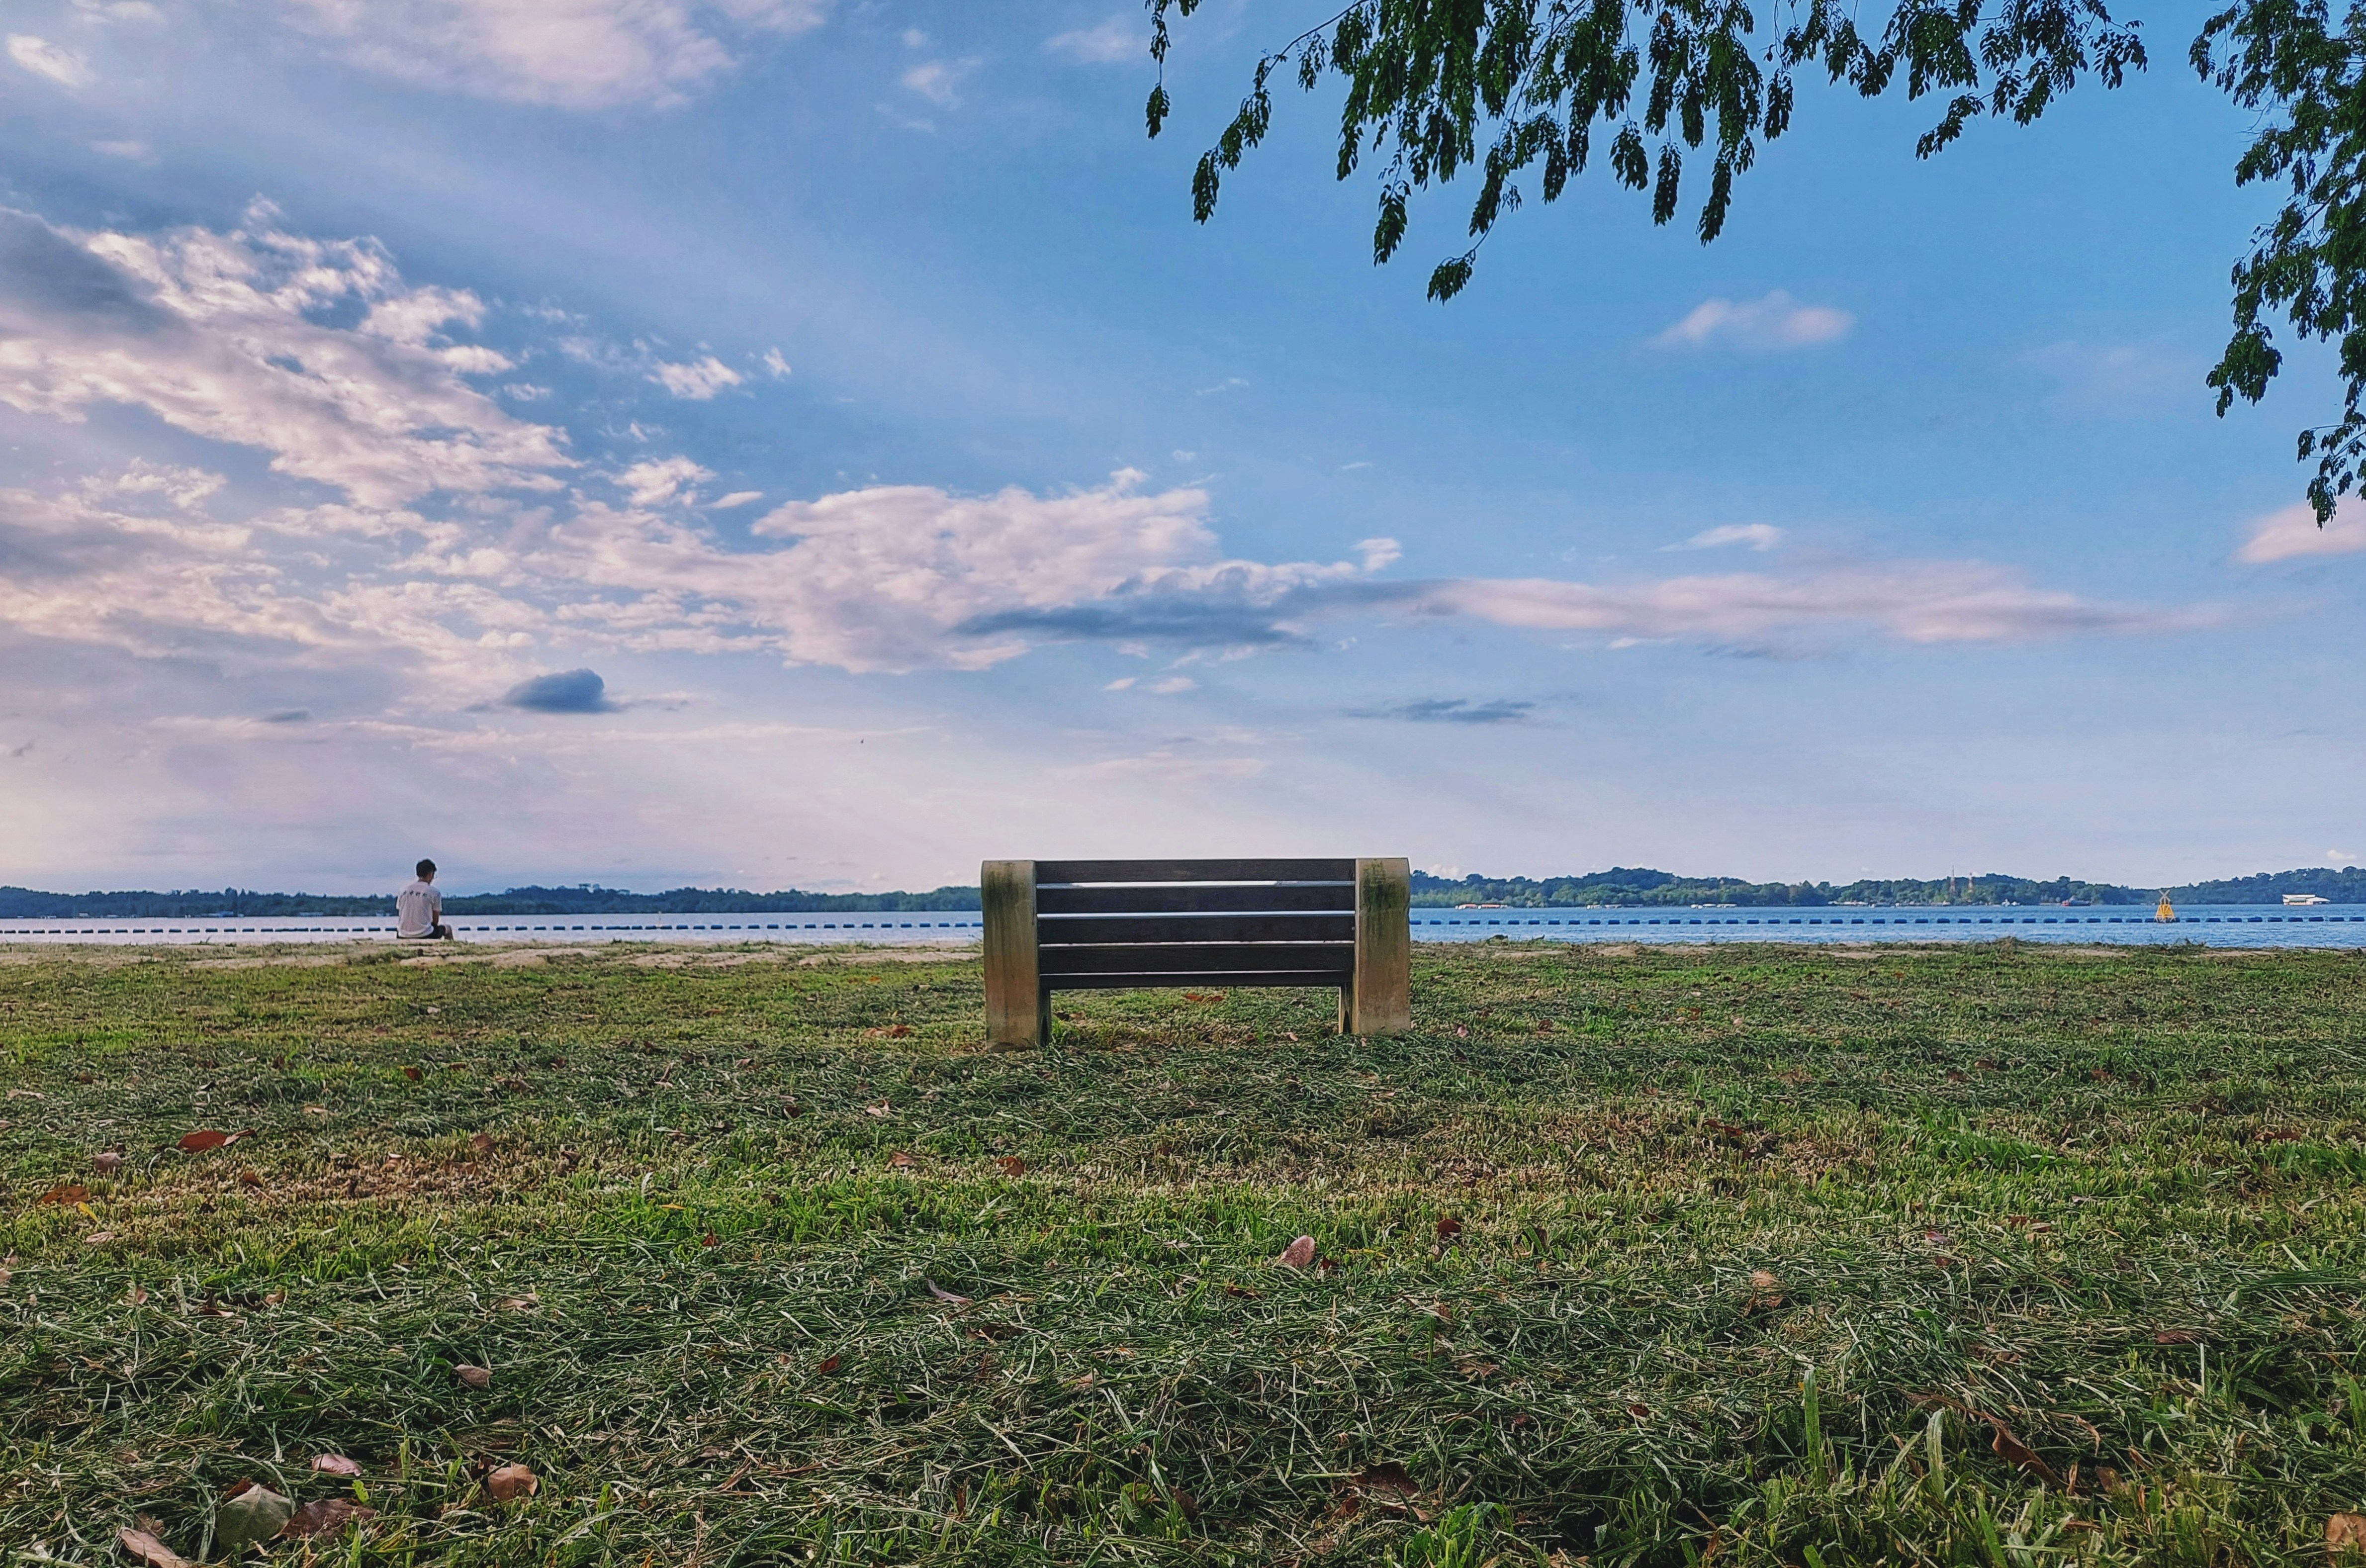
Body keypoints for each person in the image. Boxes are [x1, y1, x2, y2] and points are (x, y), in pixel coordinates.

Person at [397, 859, 452, 939]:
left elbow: (401, 912)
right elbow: (435, 919)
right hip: (425, 934)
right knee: (448, 928)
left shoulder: (403, 891)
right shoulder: (434, 892)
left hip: (403, 934)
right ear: (431, 874)